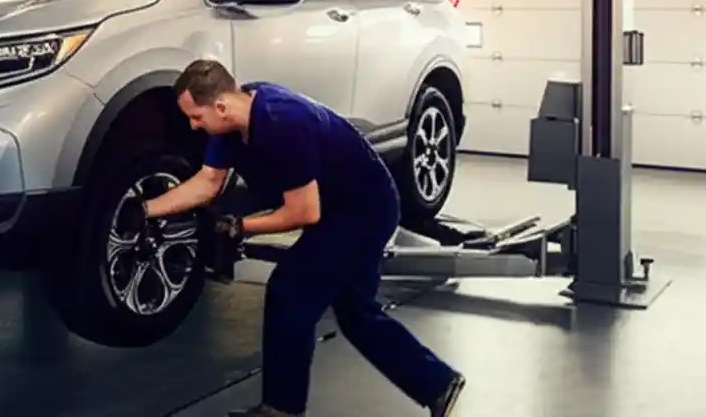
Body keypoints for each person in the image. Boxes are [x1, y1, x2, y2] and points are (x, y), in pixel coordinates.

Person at [139, 58, 466, 417]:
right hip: (340, 205)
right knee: (357, 314)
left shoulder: (282, 123)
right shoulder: (230, 122)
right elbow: (208, 182)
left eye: (196, 116)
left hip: (362, 210)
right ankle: (438, 384)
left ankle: (282, 409)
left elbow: (304, 213)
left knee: (290, 293)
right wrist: (147, 209)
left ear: (219, 106)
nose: (192, 125)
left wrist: (239, 227)